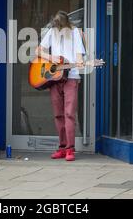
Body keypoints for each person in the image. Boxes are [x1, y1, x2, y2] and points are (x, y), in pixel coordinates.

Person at [35, 10, 85, 161]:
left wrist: (80, 63)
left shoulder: (75, 32)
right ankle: (62, 147)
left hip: (71, 76)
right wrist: (51, 57)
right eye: (57, 28)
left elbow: (78, 54)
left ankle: (70, 149)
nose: (59, 30)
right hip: (55, 77)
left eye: (60, 27)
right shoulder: (52, 31)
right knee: (58, 114)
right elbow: (38, 51)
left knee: (69, 113)